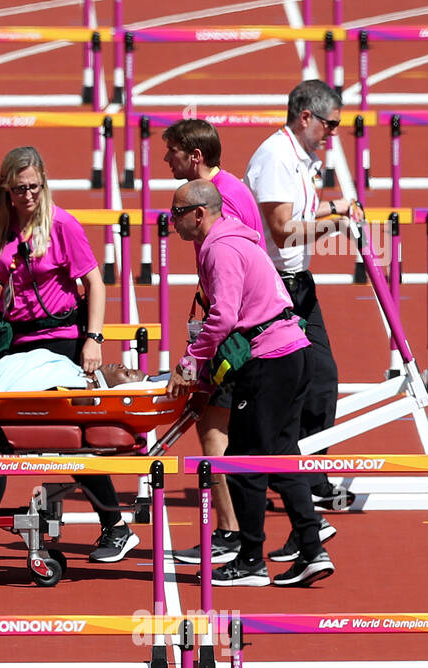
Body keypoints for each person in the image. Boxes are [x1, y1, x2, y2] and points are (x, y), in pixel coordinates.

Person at [0, 146, 138, 567]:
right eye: (19, 189)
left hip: (62, 338)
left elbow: (95, 284)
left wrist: (94, 339)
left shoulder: (62, 225)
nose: (27, 195)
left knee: (70, 436)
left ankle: (115, 527)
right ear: (6, 191)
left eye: (34, 187)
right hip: (17, 341)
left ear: (43, 184)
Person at [167, 180, 333, 587]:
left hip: (270, 360)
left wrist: (190, 360)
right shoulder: (239, 239)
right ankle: (312, 549)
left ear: (199, 214)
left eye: (176, 214)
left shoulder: (219, 249)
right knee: (280, 453)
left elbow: (222, 317)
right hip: (294, 351)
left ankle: (250, 557)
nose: (172, 223)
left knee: (243, 460)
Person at [245, 79, 358, 560]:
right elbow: (283, 230)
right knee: (296, 388)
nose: (334, 134)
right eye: (330, 124)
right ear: (304, 116)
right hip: (274, 288)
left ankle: (306, 473)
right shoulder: (275, 157)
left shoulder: (302, 160)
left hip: (298, 284)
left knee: (322, 379)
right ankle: (296, 481)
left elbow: (301, 217)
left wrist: (334, 207)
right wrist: (338, 219)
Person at [161, 119, 263, 564]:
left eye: (173, 153)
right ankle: (258, 529)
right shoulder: (225, 190)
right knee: (225, 429)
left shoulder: (225, 199)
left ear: (195, 157)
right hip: (236, 327)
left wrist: (194, 355)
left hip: (237, 334)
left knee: (212, 427)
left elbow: (236, 271)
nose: (167, 160)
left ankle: (231, 533)